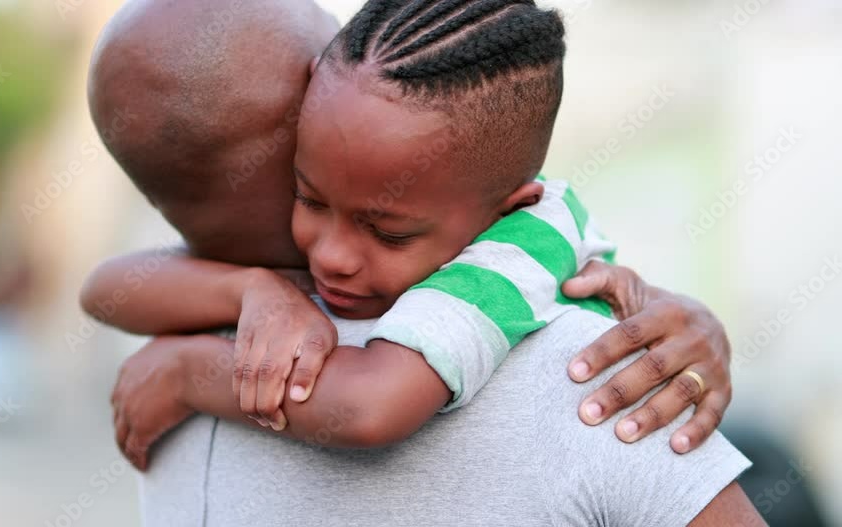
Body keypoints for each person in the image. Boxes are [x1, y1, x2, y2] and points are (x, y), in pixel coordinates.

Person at [87, 0, 759, 524]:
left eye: (386, 229)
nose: (335, 255)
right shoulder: (325, 256)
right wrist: (256, 291)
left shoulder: (529, 264)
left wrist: (187, 373)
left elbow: (370, 406)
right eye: (310, 196)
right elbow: (106, 288)